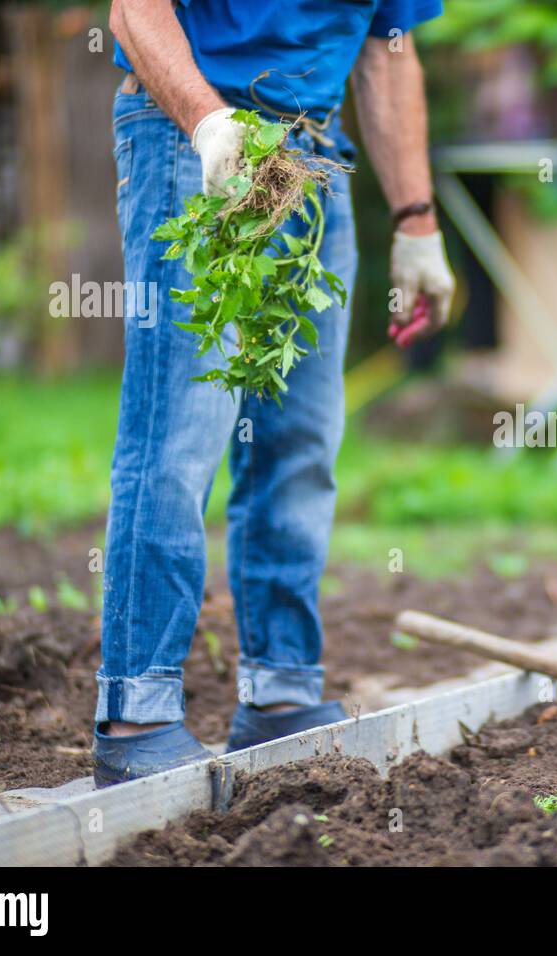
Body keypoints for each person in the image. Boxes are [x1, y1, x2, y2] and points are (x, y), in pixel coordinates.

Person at [93, 0, 455, 785]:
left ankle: (283, 694)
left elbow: (389, 51)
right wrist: (209, 124)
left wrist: (416, 219)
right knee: (180, 426)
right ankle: (137, 712)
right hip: (184, 127)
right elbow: (132, 11)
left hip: (312, 154)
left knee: (298, 437)